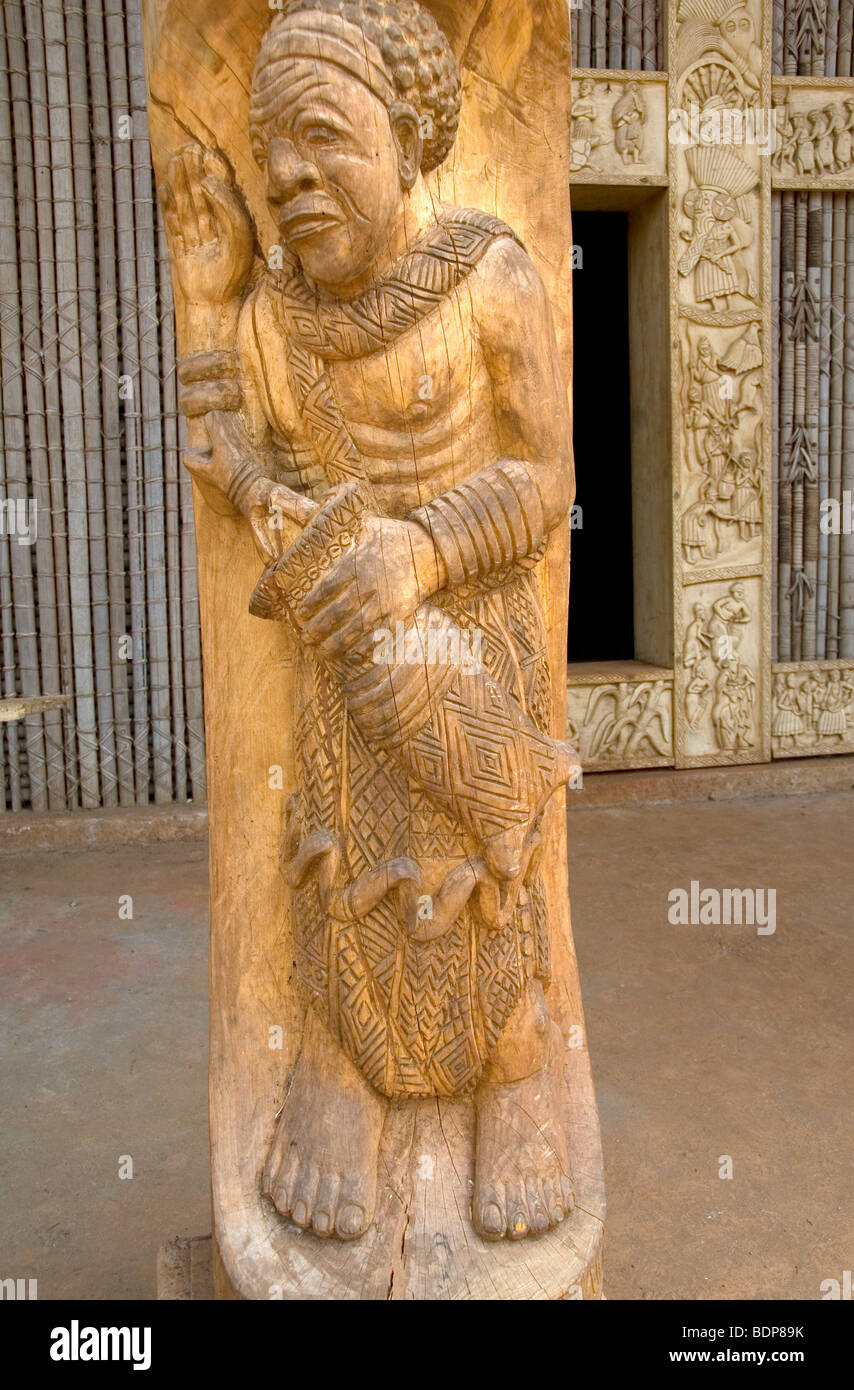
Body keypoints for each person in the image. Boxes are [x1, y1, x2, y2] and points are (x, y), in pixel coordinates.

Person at [163, 0, 576, 1244]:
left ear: (406, 141)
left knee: (489, 864)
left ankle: (513, 1071)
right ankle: (335, 1071)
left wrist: (425, 548)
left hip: (471, 635)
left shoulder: (491, 276)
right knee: (338, 861)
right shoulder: (280, 322)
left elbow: (549, 478)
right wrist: (204, 298)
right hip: (346, 665)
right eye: (265, 147)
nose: (285, 175)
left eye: (321, 138)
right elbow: (225, 451)